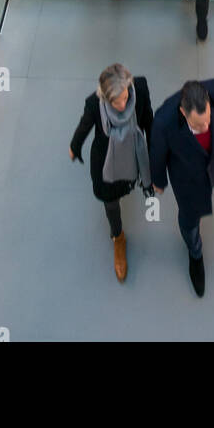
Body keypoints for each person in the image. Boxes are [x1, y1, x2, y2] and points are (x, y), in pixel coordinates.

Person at [150, 77, 214, 297]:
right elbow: (157, 154)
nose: (205, 127)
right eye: (198, 125)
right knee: (189, 221)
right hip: (187, 180)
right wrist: (158, 181)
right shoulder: (163, 121)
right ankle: (195, 254)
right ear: (182, 112)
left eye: (208, 120)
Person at [69, 63, 153, 282]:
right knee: (110, 202)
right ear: (104, 98)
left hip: (134, 153)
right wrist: (74, 146)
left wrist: (153, 158)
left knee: (130, 184)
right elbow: (84, 127)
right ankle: (118, 237)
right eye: (116, 102)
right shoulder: (94, 105)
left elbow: (148, 123)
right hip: (107, 161)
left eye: (125, 97)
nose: (123, 104)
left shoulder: (140, 90)